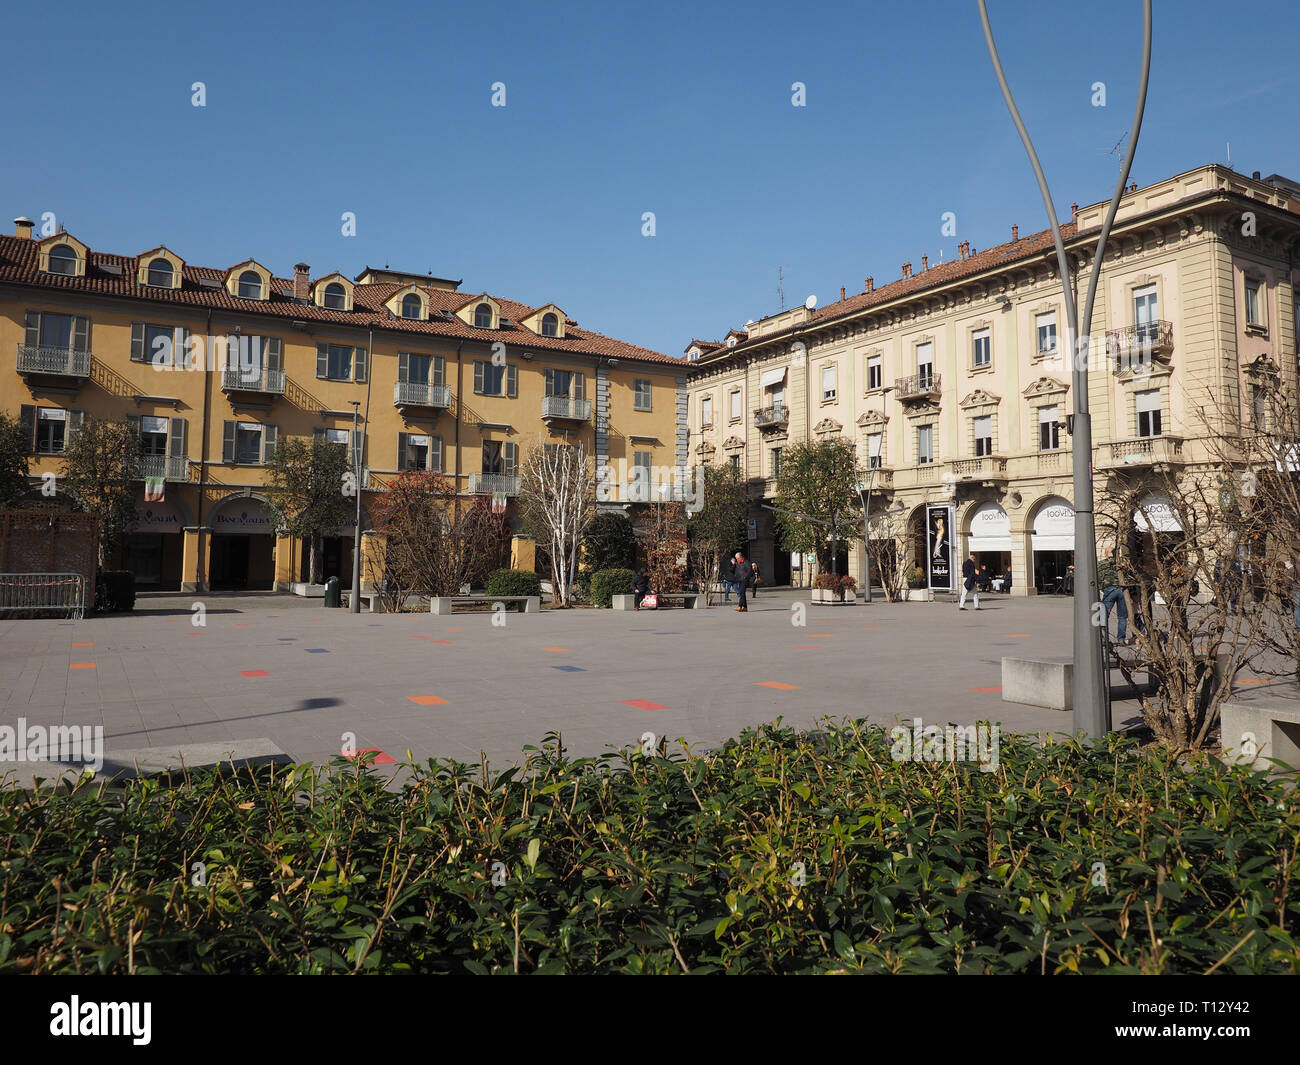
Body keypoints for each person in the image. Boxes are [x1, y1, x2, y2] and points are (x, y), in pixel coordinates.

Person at [1097, 546, 1129, 646]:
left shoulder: (1101, 564)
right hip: (1122, 590)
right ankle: (1121, 639)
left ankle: (1103, 639)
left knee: (1103, 615)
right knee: (1122, 617)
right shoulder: (1122, 564)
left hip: (1109, 590)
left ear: (1106, 553)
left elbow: (1097, 577)